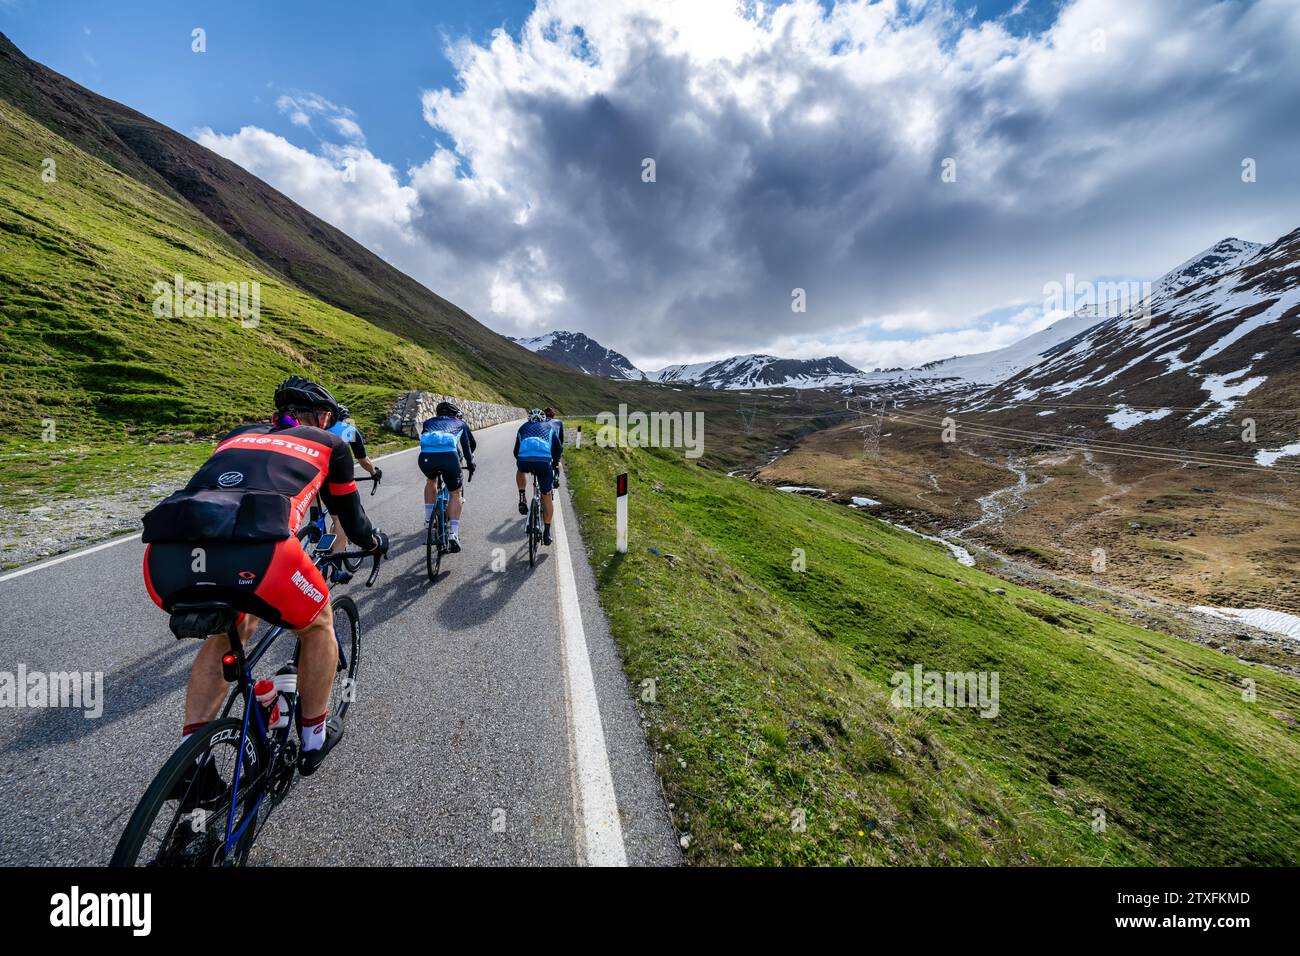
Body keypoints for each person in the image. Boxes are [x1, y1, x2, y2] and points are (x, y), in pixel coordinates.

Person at [141, 376, 388, 778]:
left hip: (166, 557)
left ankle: (190, 764)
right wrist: (375, 542)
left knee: (230, 628)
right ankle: (313, 738)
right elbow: (351, 518)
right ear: (324, 417)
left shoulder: (237, 435)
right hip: (261, 553)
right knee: (318, 624)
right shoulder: (330, 443)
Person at [326, 405, 381, 581]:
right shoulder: (349, 429)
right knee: (339, 520)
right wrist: (374, 473)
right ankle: (336, 567)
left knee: (319, 502)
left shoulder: (319, 428)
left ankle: (313, 525)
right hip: (337, 480)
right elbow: (363, 460)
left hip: (314, 476)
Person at [418, 400, 475, 552]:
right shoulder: (459, 423)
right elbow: (468, 448)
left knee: (431, 480)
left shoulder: (428, 422)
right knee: (455, 493)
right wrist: (470, 464)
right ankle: (453, 534)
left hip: (426, 458)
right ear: (455, 414)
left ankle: (428, 519)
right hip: (449, 458)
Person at [515, 408, 563, 546]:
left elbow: (515, 451)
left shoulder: (522, 428)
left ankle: (522, 496)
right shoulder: (549, 427)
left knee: (520, 469)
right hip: (543, 464)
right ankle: (547, 533)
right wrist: (554, 463)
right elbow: (558, 449)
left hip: (524, 462)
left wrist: (523, 462)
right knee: (546, 496)